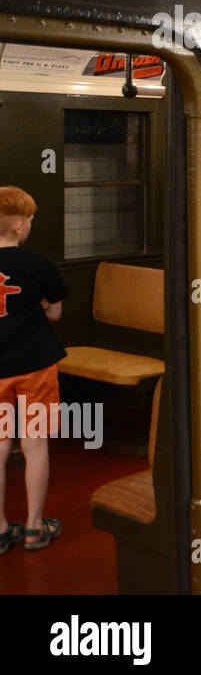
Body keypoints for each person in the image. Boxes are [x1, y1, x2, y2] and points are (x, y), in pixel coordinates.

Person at [0, 186, 67, 553]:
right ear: (18, 228)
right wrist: (40, 307)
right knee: (35, 445)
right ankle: (33, 527)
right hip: (36, 369)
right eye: (29, 221)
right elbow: (55, 313)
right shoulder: (38, 264)